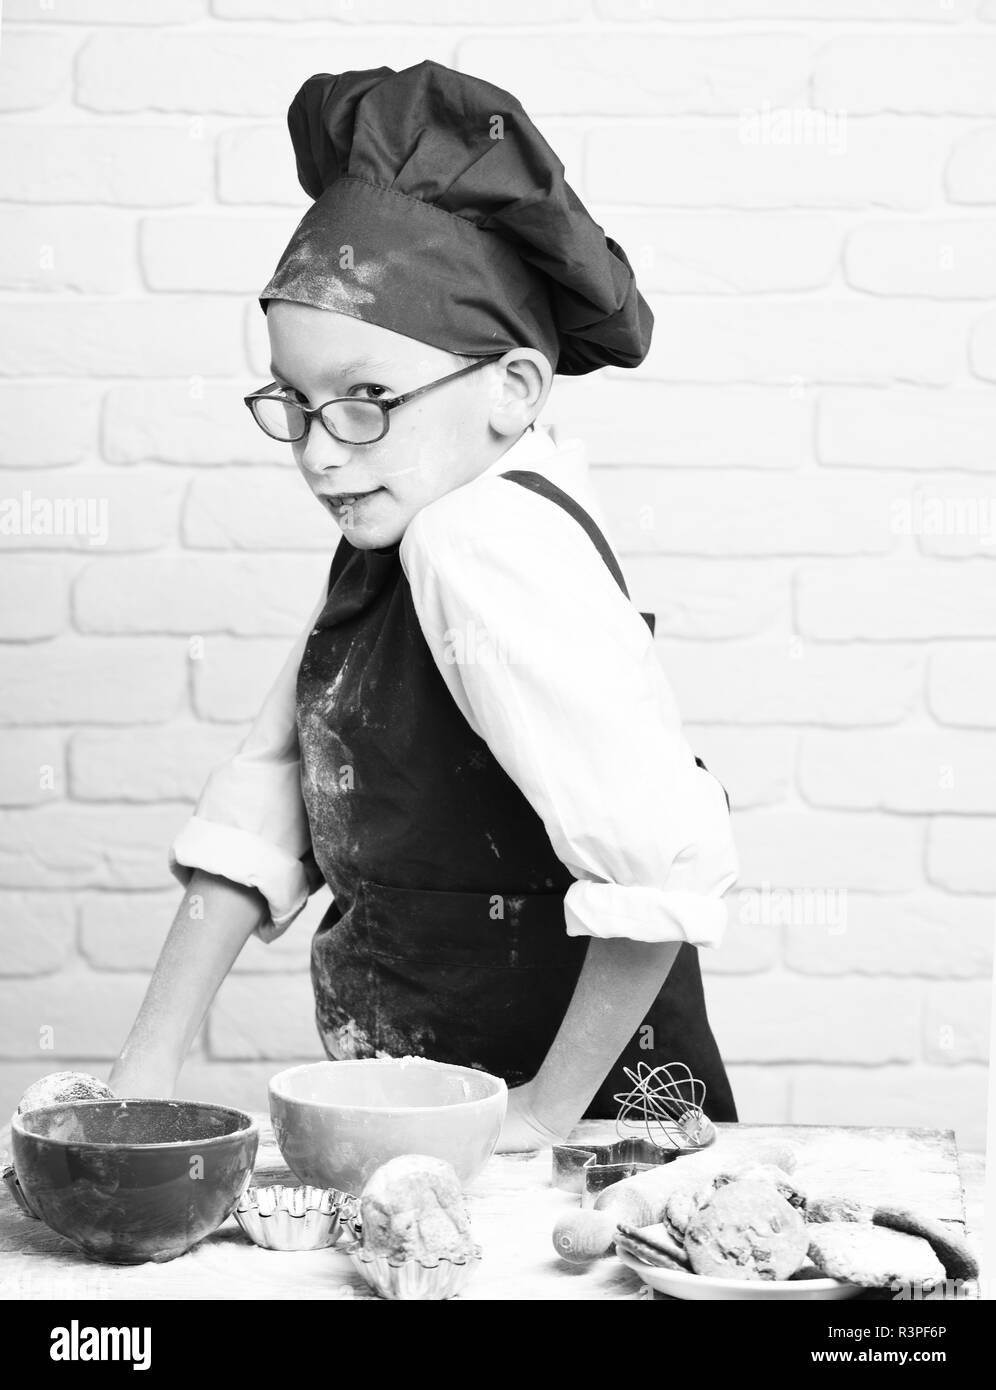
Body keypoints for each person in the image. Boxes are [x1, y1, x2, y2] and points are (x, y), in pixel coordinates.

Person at [110, 59, 740, 1151]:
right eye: (294, 403)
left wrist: (544, 1114)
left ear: (514, 389)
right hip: (443, 1119)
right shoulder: (398, 528)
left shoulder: (480, 538)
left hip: (585, 1145)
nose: (317, 450)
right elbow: (272, 793)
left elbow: (659, 856)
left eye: (365, 400)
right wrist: (142, 1073)